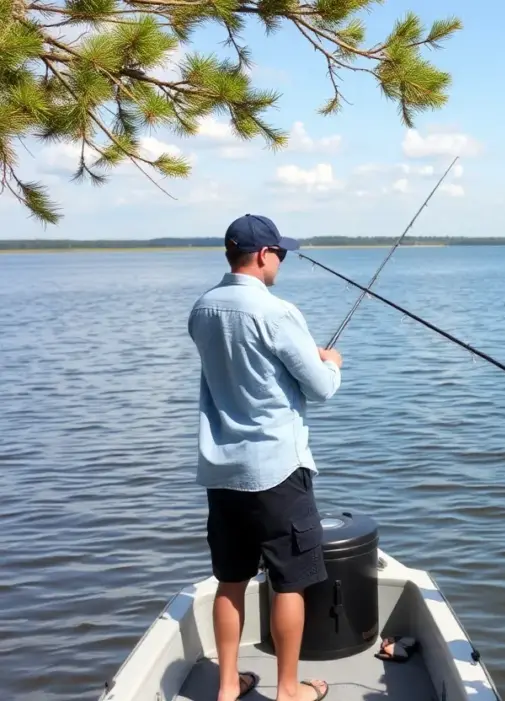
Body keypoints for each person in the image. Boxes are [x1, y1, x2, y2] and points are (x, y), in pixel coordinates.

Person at [187, 214, 342, 701]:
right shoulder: (278, 312)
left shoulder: (202, 309)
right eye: (281, 253)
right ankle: (290, 689)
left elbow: (244, 366)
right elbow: (318, 390)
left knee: (229, 580)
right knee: (289, 582)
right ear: (261, 255)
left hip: (222, 470)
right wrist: (330, 363)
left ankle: (228, 686)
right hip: (277, 469)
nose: (282, 261)